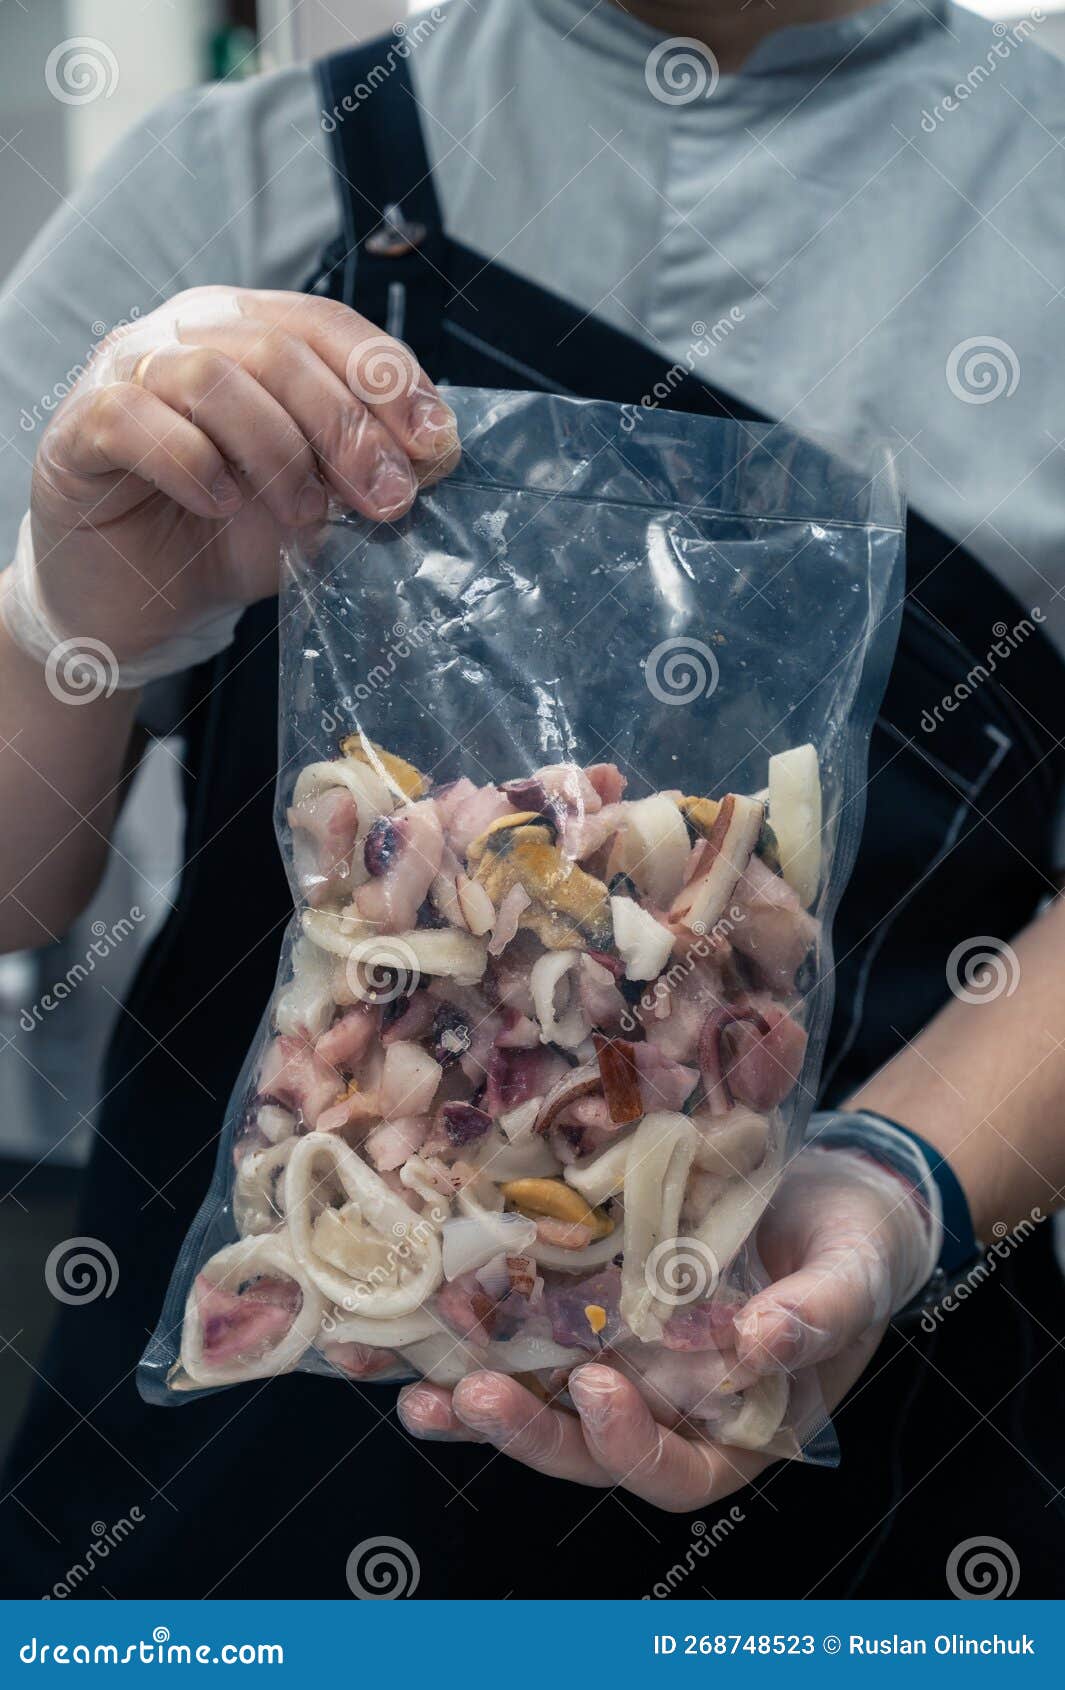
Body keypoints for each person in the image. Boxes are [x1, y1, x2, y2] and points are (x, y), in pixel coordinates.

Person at [1, 0, 1064, 1598]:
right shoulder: (223, 188)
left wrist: (897, 1181)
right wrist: (66, 628)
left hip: (873, 1499)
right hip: (221, 1521)